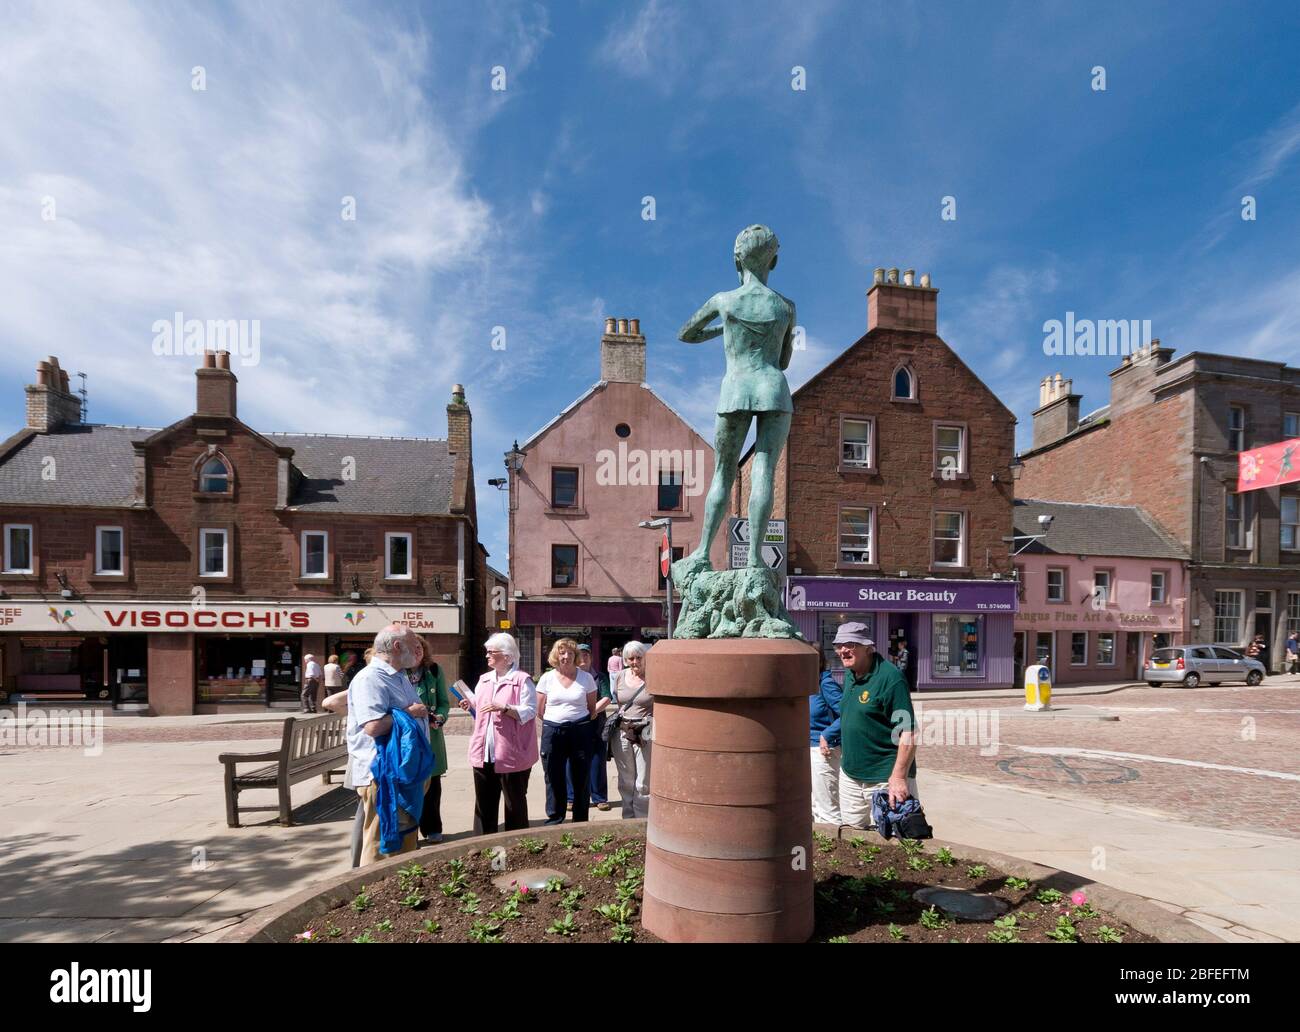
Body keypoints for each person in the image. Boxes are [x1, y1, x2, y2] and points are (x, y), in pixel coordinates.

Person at [345, 625, 430, 865]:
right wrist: (410, 714)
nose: (417, 650)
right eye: (414, 645)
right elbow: (372, 727)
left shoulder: (398, 676)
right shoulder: (370, 679)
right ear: (396, 646)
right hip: (381, 774)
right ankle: (371, 894)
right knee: (380, 843)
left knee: (404, 840)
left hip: (403, 774)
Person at [831, 622, 918, 830]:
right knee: (854, 836)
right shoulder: (852, 674)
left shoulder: (890, 678)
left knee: (895, 837)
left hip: (883, 778)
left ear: (867, 647)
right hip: (851, 775)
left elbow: (909, 732)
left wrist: (898, 776)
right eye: (839, 645)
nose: (843, 650)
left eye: (851, 644)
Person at [459, 632, 538, 835]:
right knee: (484, 804)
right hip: (483, 751)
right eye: (487, 652)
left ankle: (517, 844)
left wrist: (505, 708)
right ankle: (482, 845)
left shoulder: (522, 680)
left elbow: (530, 712)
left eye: (491, 652)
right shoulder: (484, 680)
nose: (487, 656)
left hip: (511, 754)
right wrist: (470, 705)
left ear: (507, 656)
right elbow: (481, 710)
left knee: (515, 804)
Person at [537, 638, 598, 824]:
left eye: (571, 653)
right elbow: (540, 710)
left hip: (580, 731)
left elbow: (592, 708)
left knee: (581, 777)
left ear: (576, 656)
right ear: (556, 655)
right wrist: (557, 722)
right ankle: (555, 818)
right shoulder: (547, 678)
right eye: (562, 652)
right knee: (553, 777)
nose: (566, 656)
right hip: (553, 732)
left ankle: (579, 821)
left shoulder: (586, 678)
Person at [408, 648, 451, 844]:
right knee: (410, 783)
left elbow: (443, 702)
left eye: (419, 649)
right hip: (407, 737)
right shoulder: (397, 672)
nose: (416, 653)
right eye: (411, 649)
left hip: (430, 736)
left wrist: (440, 717)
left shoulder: (433, 670)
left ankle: (433, 828)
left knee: (432, 785)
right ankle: (410, 834)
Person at [609, 640, 653, 819]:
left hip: (645, 731)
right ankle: (628, 818)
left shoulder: (654, 677)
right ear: (625, 660)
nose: (635, 662)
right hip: (622, 731)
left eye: (639, 657)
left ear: (645, 658)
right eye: (631, 658)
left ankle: (642, 819)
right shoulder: (620, 676)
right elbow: (619, 703)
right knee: (626, 779)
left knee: (643, 781)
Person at [568, 644, 613, 811]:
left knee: (597, 761)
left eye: (586, 655)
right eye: (580, 655)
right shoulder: (570, 677)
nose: (583, 658)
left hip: (596, 724)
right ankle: (571, 797)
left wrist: (592, 711)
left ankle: (599, 797)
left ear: (591, 658)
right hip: (574, 724)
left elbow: (607, 697)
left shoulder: (600, 677)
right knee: (571, 761)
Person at [810, 653, 843, 825]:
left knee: (827, 809)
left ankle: (835, 847)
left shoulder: (826, 684)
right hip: (806, 749)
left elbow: (847, 714)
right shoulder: (804, 685)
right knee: (813, 806)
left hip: (823, 751)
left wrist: (827, 734)